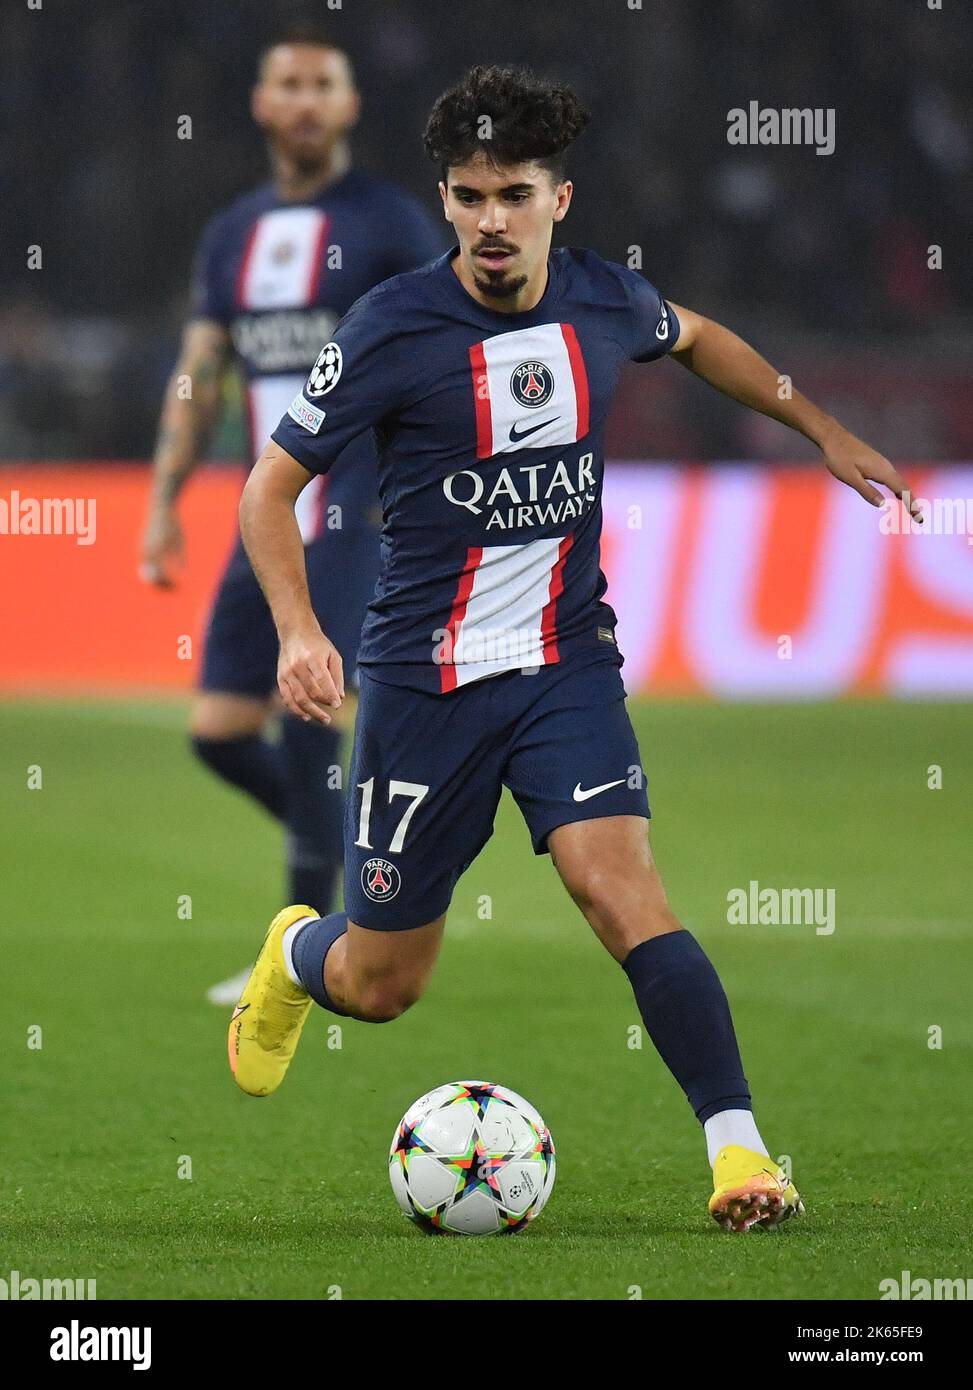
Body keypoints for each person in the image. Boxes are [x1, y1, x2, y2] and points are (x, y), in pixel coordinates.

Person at [229, 65, 920, 1230]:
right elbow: (266, 489)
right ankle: (300, 956)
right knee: (383, 984)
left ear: (559, 198)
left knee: (624, 894)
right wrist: (300, 631)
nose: (488, 220)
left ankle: (740, 1156)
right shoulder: (392, 327)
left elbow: (696, 337)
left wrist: (823, 427)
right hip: (424, 681)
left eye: (512, 195)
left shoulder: (605, 301)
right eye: (466, 196)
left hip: (563, 664)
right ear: (444, 200)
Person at [138, 26, 443, 1003]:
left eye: (325, 84)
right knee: (220, 730)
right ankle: (367, 875)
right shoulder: (233, 232)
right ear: (263, 106)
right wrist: (162, 499)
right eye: (288, 84)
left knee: (309, 708)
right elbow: (201, 372)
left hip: (353, 504)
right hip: (262, 505)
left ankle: (305, 947)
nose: (306, 100)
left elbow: (446, 351)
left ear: (351, 106)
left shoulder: (392, 224)